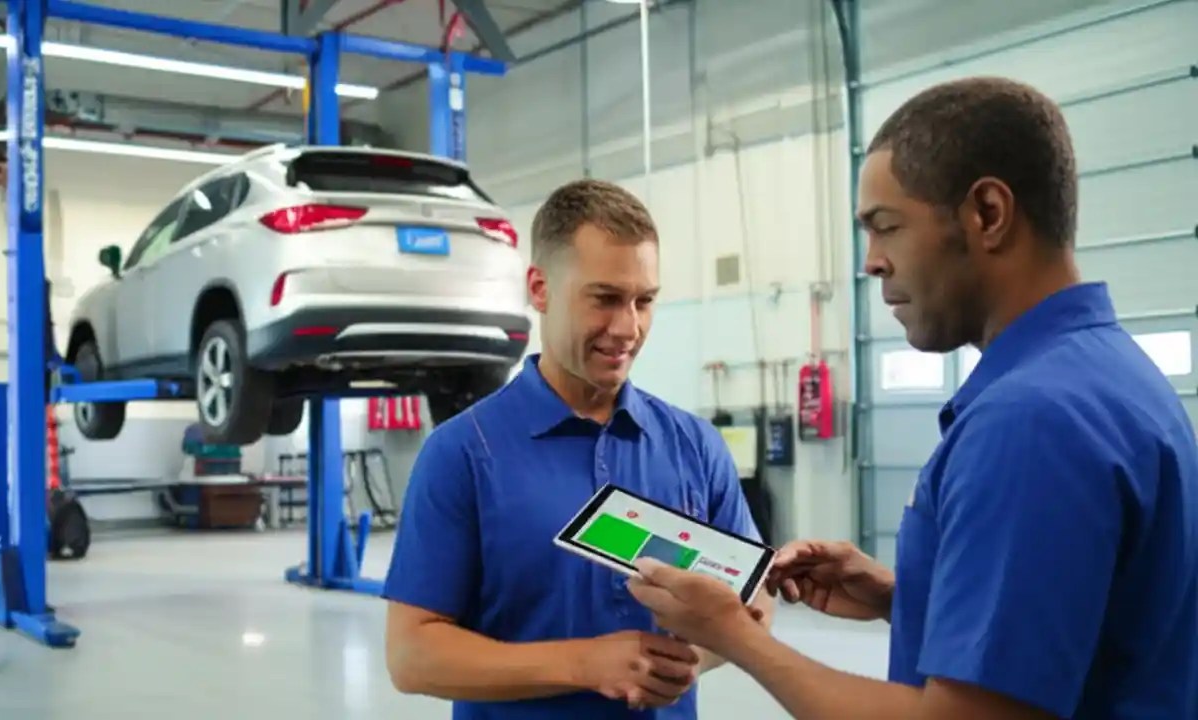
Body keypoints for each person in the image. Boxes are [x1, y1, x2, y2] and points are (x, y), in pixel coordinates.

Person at [626, 76, 1198, 719]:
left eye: (886, 227)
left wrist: (734, 634)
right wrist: (906, 595)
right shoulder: (1113, 377)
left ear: (987, 213)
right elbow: (1092, 620)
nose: (871, 262)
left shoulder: (1030, 422)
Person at [382, 178, 774, 719]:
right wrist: (584, 665)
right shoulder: (464, 454)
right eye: (606, 299)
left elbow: (752, 601)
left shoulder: (693, 445)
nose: (628, 327)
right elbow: (411, 655)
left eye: (645, 301)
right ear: (540, 289)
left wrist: (689, 660)